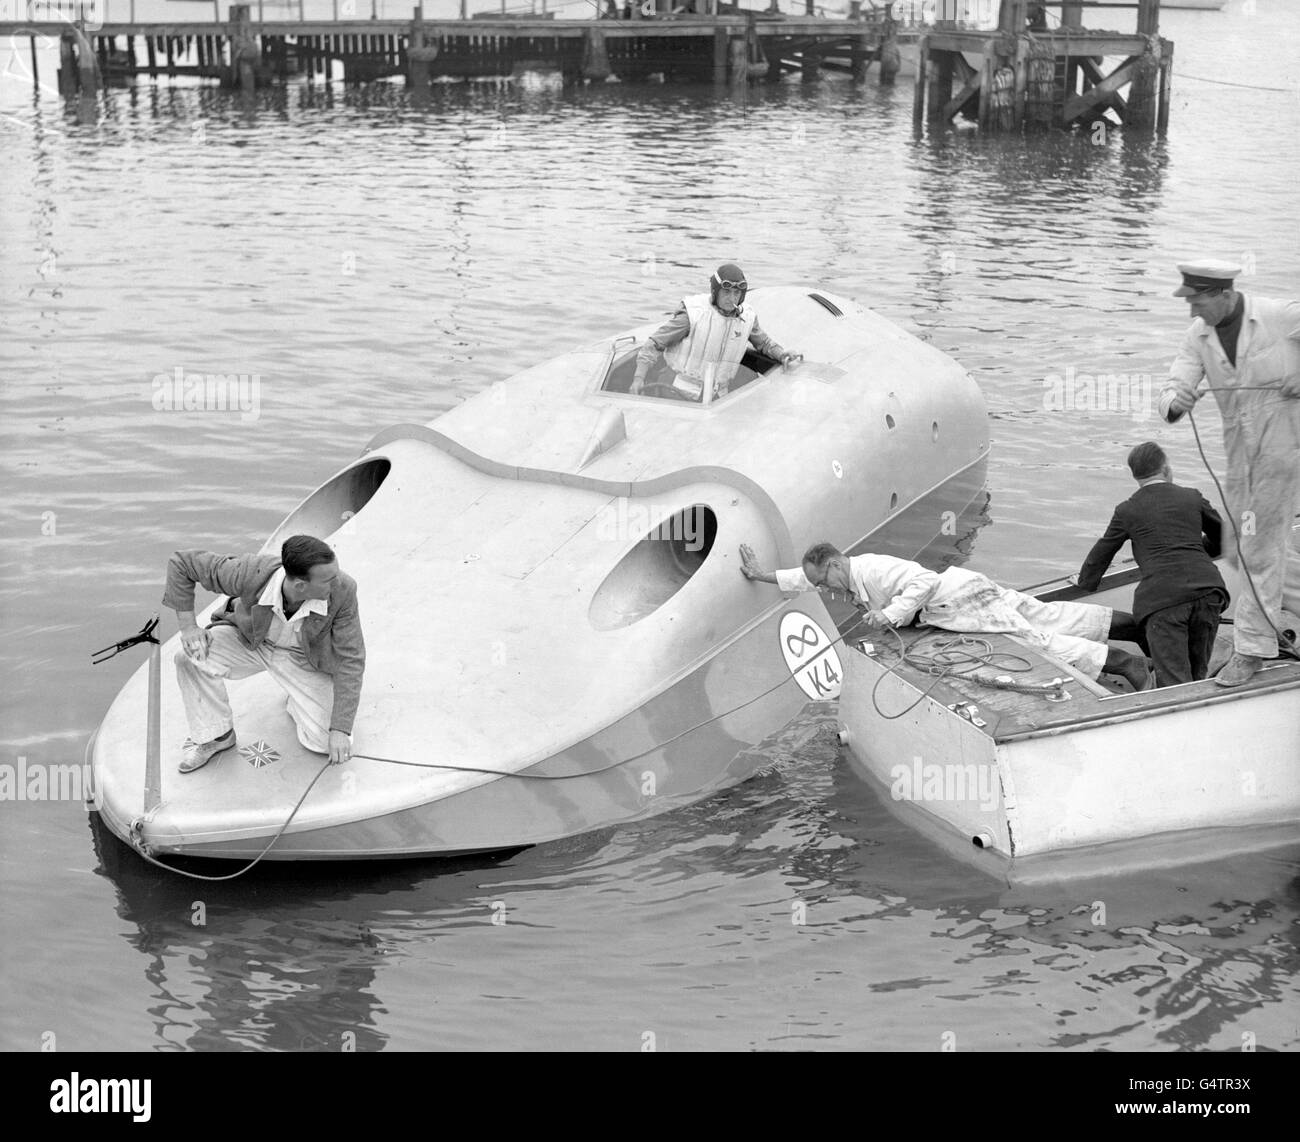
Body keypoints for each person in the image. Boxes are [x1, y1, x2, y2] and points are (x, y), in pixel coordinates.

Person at [739, 542, 1151, 690]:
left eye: (824, 581)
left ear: (834, 563)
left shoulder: (874, 569)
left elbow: (922, 582)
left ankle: (1123, 661)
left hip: (960, 600)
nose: (825, 590)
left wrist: (887, 615)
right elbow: (802, 579)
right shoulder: (841, 575)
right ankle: (1135, 627)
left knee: (1034, 640)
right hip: (967, 587)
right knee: (1041, 614)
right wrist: (760, 574)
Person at [1158, 258, 1300, 686]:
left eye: (1198, 300)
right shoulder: (1197, 335)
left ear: (1224, 295)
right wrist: (1175, 401)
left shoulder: (1278, 315)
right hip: (1239, 453)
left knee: (1258, 544)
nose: (1192, 310)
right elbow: (1175, 381)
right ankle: (1278, 622)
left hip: (1284, 446)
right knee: (1235, 545)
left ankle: (1253, 649)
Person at [161, 534, 365, 773]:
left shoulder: (343, 590)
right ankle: (218, 736)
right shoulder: (250, 572)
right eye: (329, 580)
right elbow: (182, 563)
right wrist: (188, 627)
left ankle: (296, 701)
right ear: (301, 585)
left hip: (301, 656)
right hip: (251, 641)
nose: (336, 583)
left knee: (324, 743)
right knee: (190, 657)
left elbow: (350, 659)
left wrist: (340, 729)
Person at [1074, 442, 1228, 686]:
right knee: (1198, 674)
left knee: (1173, 681)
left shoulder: (1127, 510)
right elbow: (1223, 538)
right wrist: (1196, 553)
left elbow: (1103, 551)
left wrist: (1086, 583)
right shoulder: (1192, 497)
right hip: (1208, 591)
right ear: (1166, 468)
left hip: (1163, 601)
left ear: (1135, 475)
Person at [631, 263, 801, 402]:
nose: (731, 298)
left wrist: (782, 354)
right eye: (726, 292)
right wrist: (639, 379)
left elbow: (763, 343)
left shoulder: (747, 318)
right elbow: (654, 344)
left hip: (718, 397)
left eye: (736, 293)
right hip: (676, 391)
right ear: (715, 292)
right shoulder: (692, 314)